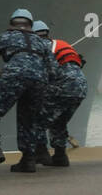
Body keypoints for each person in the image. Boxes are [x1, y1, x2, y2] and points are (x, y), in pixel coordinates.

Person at [0, 8, 52, 174]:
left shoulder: (4, 37)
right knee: (28, 119)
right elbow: (52, 69)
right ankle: (28, 160)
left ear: (11, 24)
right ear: (30, 25)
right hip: (40, 81)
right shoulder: (41, 42)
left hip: (14, 76)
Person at [32, 20, 88, 167]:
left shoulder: (38, 46)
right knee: (59, 122)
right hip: (80, 88)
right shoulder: (61, 43)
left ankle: (41, 153)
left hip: (62, 87)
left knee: (37, 121)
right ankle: (60, 156)